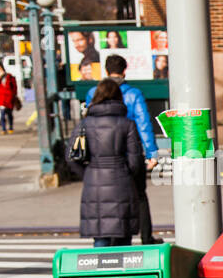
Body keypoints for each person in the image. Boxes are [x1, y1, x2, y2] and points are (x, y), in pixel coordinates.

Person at [86, 54, 160, 244]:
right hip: (129, 153)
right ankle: (145, 236)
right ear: (125, 69)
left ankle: (105, 243)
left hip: (102, 156)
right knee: (140, 196)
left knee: (104, 201)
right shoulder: (133, 94)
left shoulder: (93, 92)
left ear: (106, 69)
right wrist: (151, 153)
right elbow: (143, 124)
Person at [67, 79, 142, 248]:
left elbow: (71, 157)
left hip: (94, 182)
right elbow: (135, 161)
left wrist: (87, 173)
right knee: (123, 242)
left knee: (100, 241)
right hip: (121, 182)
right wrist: (126, 173)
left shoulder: (84, 124)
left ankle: (101, 274)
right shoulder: (127, 124)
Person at [0, 62, 18, 135]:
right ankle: (4, 129)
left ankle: (10, 127)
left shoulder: (9, 76)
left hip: (9, 98)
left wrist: (15, 95)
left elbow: (14, 86)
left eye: (0, 68)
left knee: (9, 114)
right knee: (2, 114)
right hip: (1, 98)